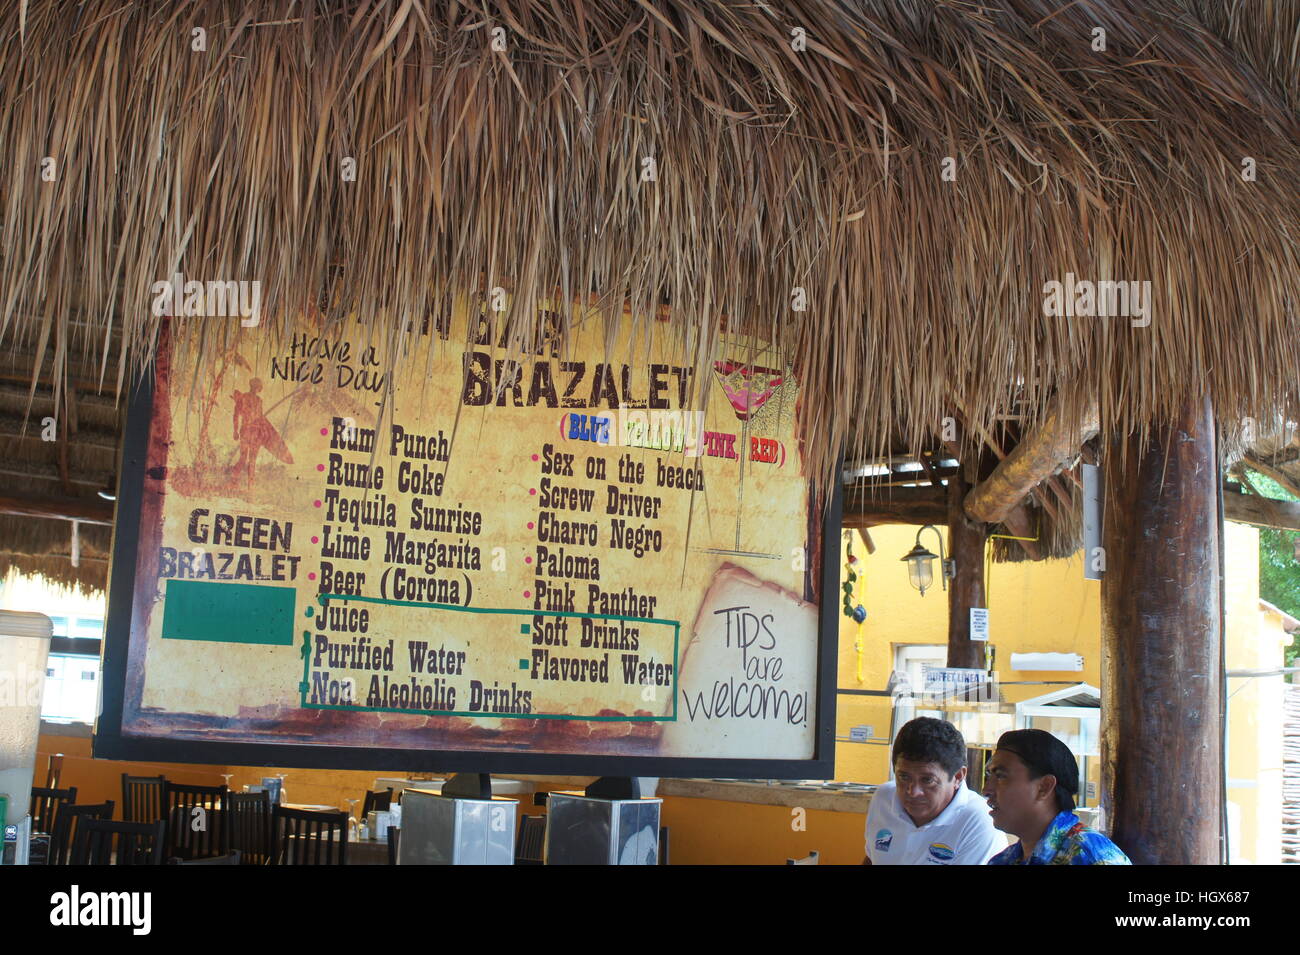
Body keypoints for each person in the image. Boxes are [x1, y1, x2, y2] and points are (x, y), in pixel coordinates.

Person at [863, 717, 1005, 865]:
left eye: (927, 780)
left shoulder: (980, 821)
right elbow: (872, 858)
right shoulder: (884, 797)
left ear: (958, 777)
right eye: (904, 777)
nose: (913, 792)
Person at [983, 728, 1130, 865]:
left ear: (1044, 787)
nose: (986, 790)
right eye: (989, 776)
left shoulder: (1090, 858)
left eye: (1000, 776)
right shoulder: (1003, 860)